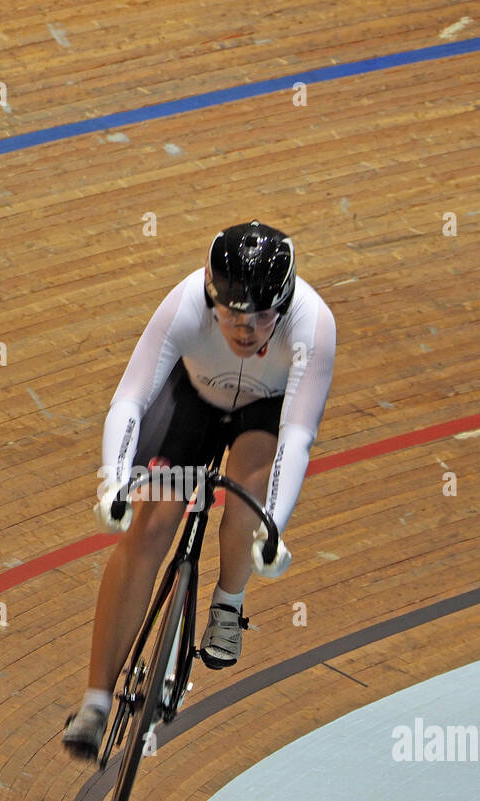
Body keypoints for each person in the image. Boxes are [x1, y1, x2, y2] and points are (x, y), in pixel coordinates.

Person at [62, 221, 336, 760]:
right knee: (151, 526)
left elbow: (297, 439)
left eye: (261, 316)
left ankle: (229, 603)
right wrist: (115, 481)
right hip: (192, 399)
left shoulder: (313, 326)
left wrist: (272, 526)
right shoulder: (185, 302)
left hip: (263, 411)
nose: (245, 328)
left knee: (245, 505)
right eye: (233, 314)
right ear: (212, 296)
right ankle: (95, 702)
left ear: (284, 304)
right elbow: (131, 399)